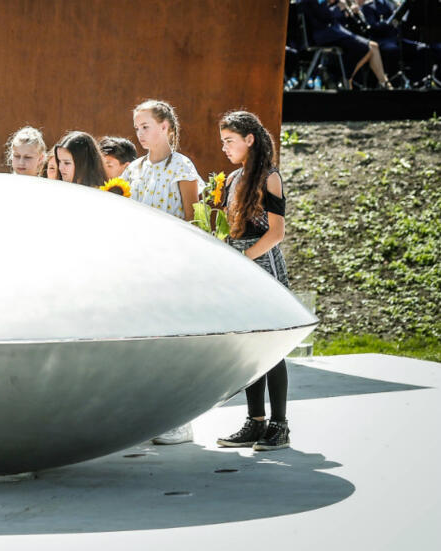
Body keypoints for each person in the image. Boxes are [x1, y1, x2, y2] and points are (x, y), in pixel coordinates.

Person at [120, 100, 201, 445]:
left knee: (173, 344)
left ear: (166, 126)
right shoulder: (133, 170)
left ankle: (181, 421)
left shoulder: (181, 166)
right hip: (139, 269)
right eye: (137, 127)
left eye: (146, 126)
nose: (140, 133)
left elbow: (193, 218)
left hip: (171, 267)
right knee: (145, 344)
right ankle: (148, 420)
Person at [215, 111, 292, 451]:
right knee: (249, 348)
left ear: (249, 140)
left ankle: (280, 425)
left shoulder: (269, 178)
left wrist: (244, 258)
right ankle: (255, 421)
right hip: (239, 264)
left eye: (230, 141)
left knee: (270, 347)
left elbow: (276, 233)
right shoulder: (233, 178)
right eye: (223, 142)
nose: (225, 148)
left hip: (262, 265)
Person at [302, 0, 392, 88]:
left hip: (335, 32)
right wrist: (338, 8)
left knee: (373, 46)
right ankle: (347, 77)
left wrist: (348, 12)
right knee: (368, 48)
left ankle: (384, 83)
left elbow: (332, 16)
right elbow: (325, 17)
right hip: (326, 35)